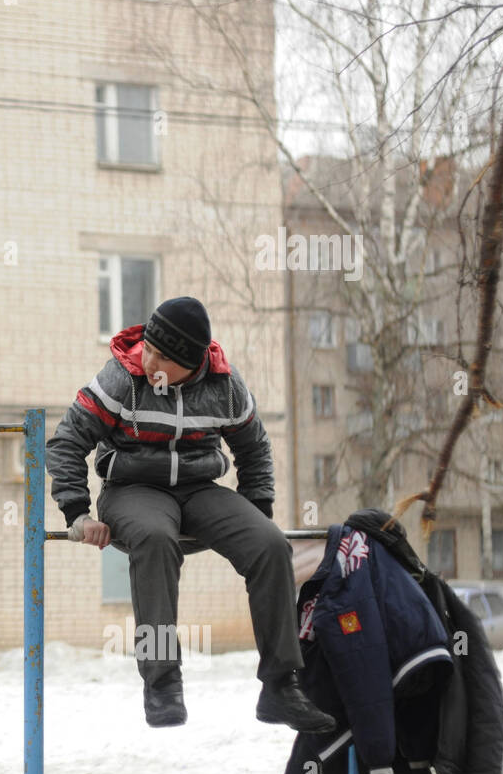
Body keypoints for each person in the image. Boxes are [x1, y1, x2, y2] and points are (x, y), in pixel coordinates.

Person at [46, 296, 335, 732]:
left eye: (163, 357)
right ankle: (162, 684)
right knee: (156, 538)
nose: (150, 360)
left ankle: (281, 686)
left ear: (192, 363)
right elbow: (67, 442)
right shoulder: (122, 377)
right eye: (149, 348)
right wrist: (77, 512)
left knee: (271, 544)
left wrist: (255, 515)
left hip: (200, 489)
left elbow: (254, 450)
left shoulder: (225, 386)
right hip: (133, 489)